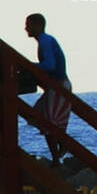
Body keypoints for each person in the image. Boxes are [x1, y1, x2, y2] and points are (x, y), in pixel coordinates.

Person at [24, 13, 71, 163]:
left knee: (50, 123)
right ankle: (57, 156)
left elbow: (50, 65)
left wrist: (30, 67)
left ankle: (60, 152)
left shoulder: (45, 41)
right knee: (41, 118)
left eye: (28, 24)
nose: (26, 28)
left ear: (38, 25)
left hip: (58, 85)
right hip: (56, 86)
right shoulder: (46, 40)